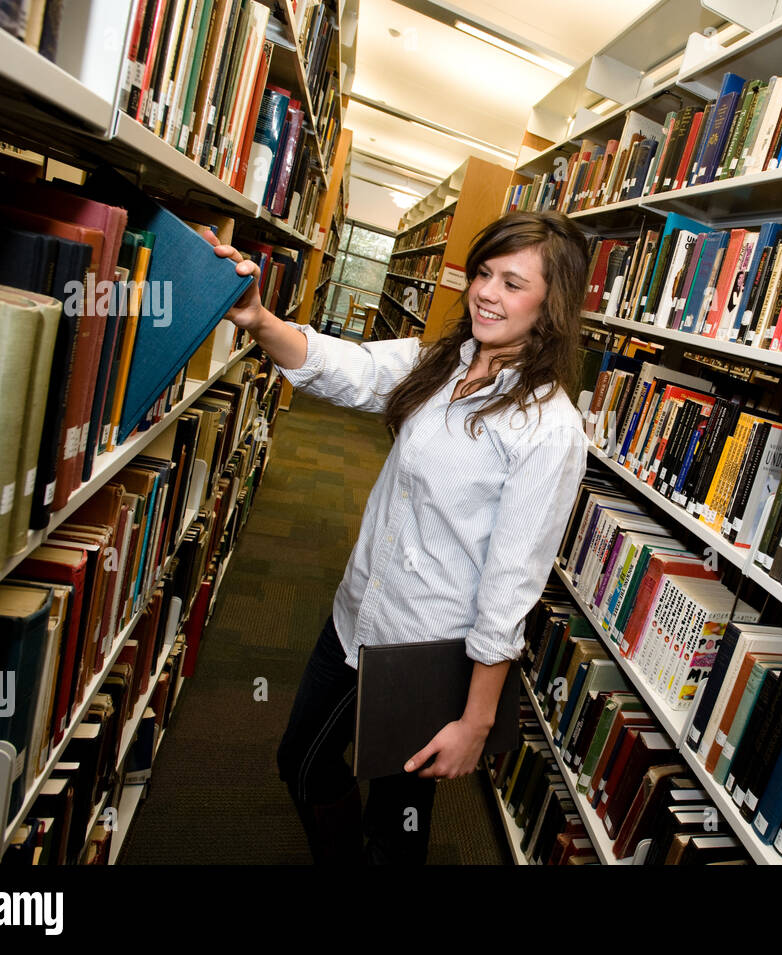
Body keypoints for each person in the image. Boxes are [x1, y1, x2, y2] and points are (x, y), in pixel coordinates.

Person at [206, 211, 589, 864]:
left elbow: (511, 584)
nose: (487, 293)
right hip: (356, 611)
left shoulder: (549, 429)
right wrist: (260, 320)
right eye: (485, 272)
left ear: (551, 304)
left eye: (513, 283)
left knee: (399, 823)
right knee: (301, 761)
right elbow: (346, 367)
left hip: (425, 650)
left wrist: (476, 720)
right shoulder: (440, 361)